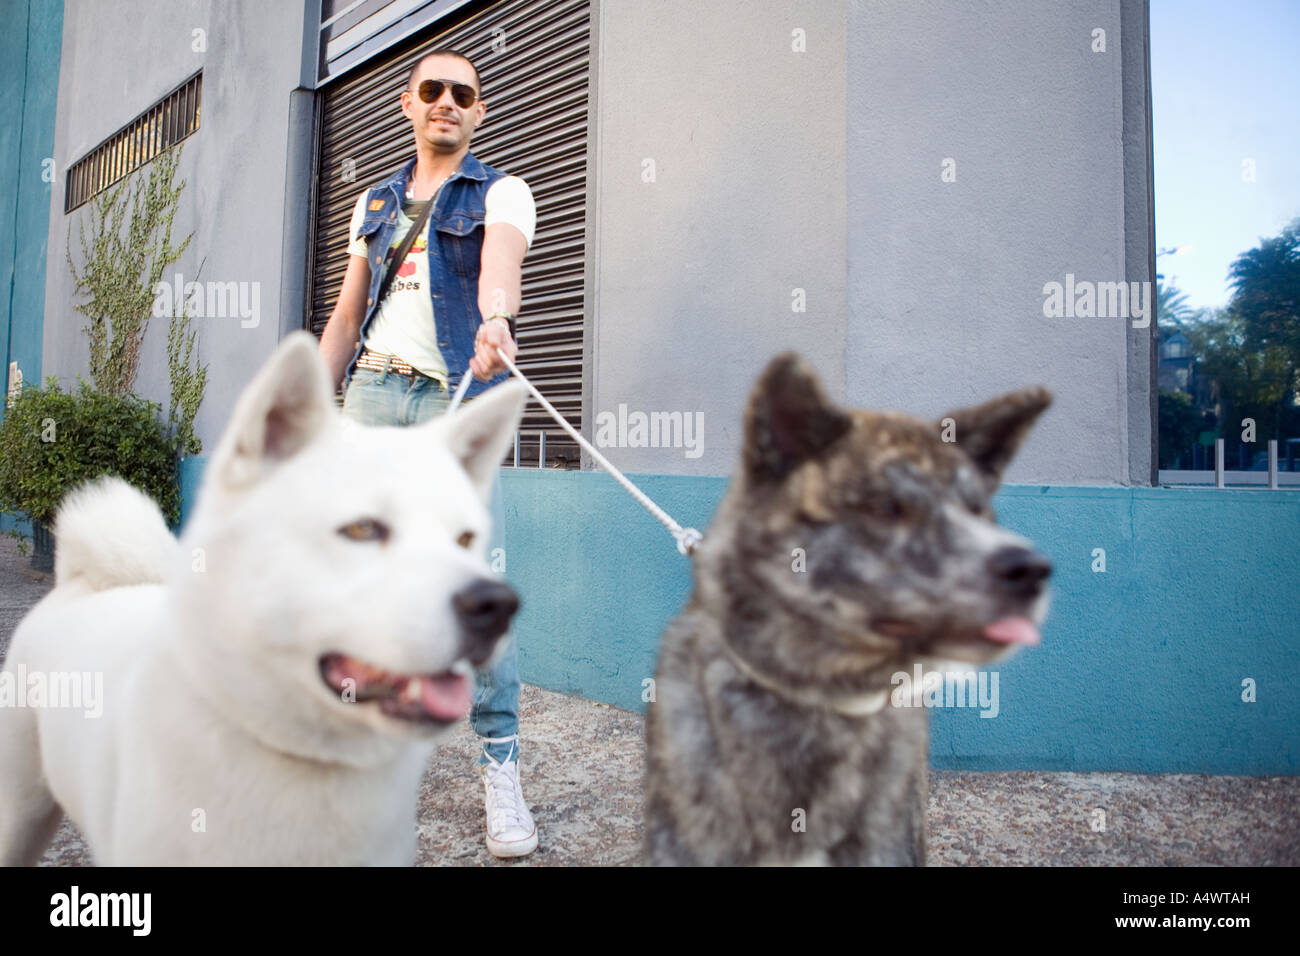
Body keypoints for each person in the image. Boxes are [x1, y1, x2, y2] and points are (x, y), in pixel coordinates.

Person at [317, 48, 538, 859]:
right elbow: (345, 319)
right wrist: (310, 402)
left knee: (470, 583)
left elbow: (499, 273)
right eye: (432, 90)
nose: (447, 101)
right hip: (371, 395)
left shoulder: (500, 190)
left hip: (454, 405)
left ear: (478, 112)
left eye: (464, 93)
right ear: (408, 105)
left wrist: (498, 322)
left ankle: (501, 767)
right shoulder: (372, 201)